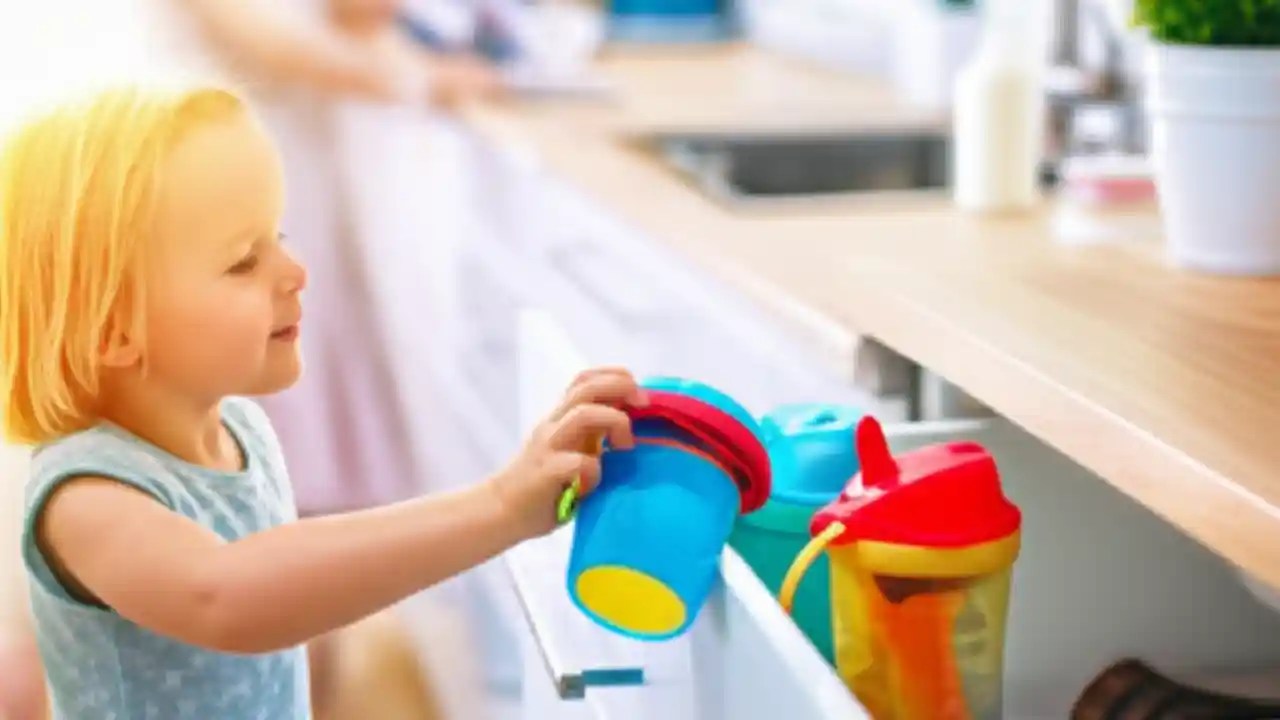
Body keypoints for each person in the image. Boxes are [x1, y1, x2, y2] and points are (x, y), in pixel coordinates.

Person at [0, 82, 640, 719]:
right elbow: (228, 599)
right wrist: (499, 506)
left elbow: (284, 598)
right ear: (115, 330)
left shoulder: (242, 431)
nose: (295, 270)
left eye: (277, 236)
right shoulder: (83, 497)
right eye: (243, 262)